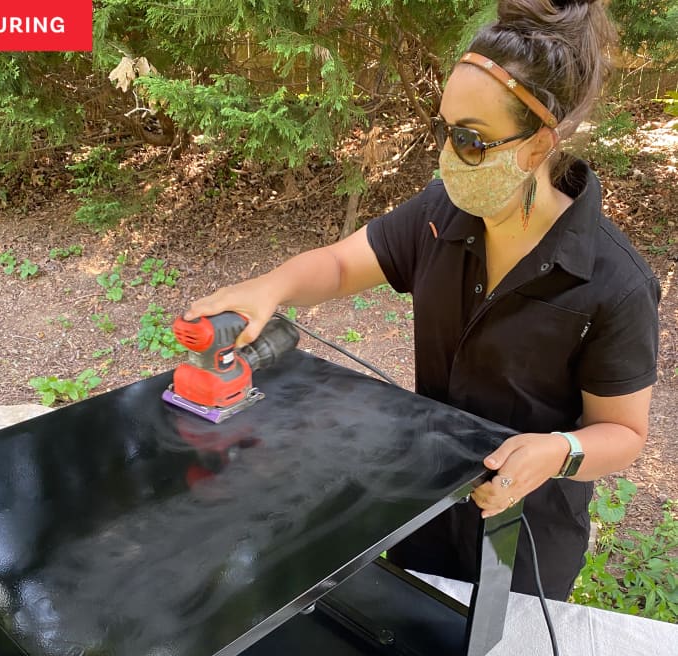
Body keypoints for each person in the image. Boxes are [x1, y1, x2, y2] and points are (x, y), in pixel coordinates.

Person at [185, 0, 660, 600]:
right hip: (421, 504)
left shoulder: (614, 282)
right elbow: (337, 264)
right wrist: (267, 288)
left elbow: (622, 432)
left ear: (539, 147)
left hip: (525, 537)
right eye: (445, 129)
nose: (446, 155)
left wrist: (558, 452)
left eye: (470, 139)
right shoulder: (443, 214)